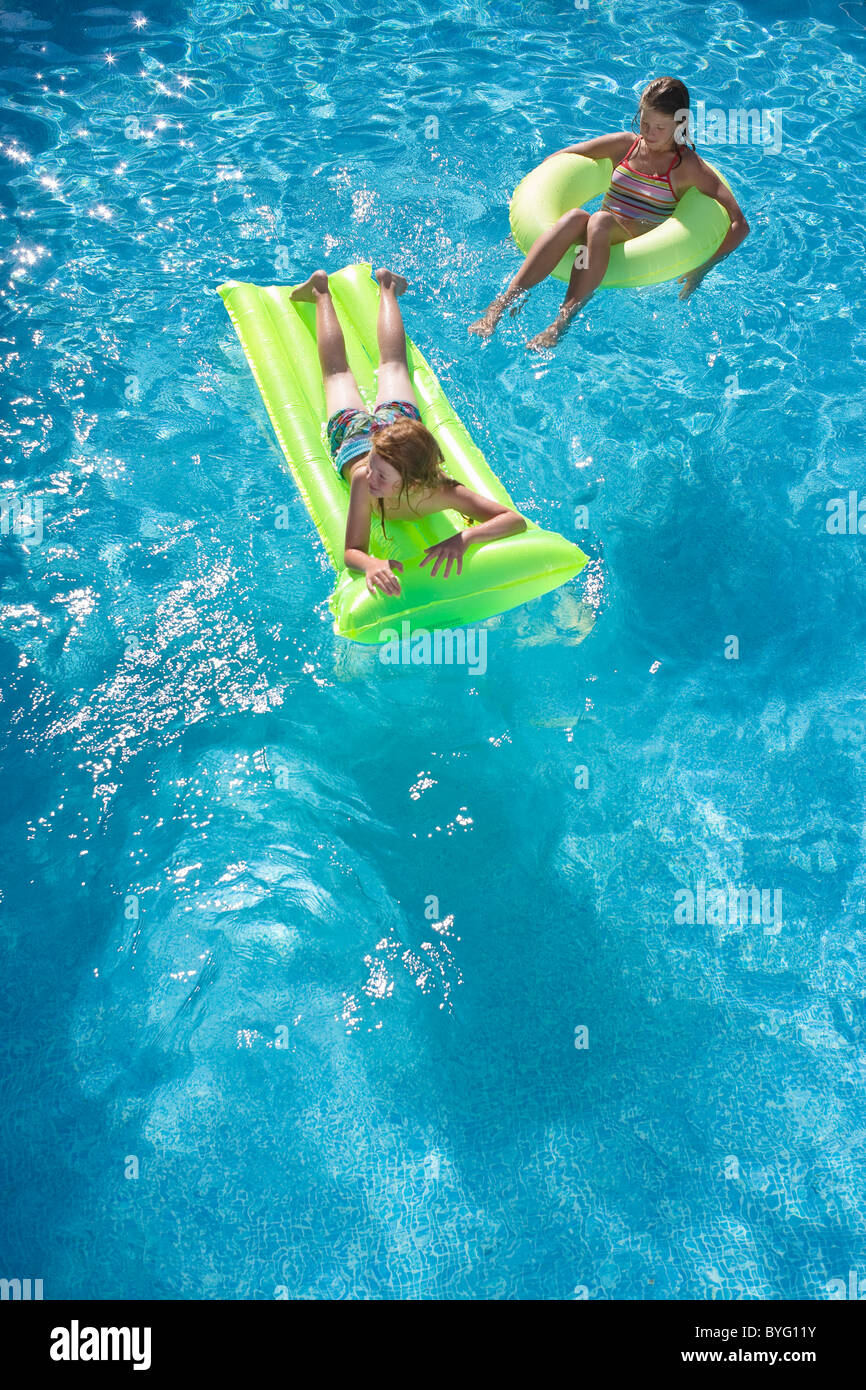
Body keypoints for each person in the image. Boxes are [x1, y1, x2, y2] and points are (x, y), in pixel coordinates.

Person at [290, 267, 526, 596]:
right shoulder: (364, 477)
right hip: (360, 437)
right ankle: (322, 292)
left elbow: (514, 520)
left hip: (388, 434)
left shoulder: (444, 492)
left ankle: (387, 286)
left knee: (388, 367)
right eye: (373, 468)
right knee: (346, 374)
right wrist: (370, 563)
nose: (369, 478)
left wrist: (464, 538)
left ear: (415, 482)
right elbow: (352, 552)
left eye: (381, 477)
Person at [469, 76, 750, 350]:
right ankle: (498, 307)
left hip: (631, 239)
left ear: (680, 124)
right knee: (575, 218)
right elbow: (563, 159)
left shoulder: (686, 167)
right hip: (597, 233)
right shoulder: (626, 145)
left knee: (599, 220)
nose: (649, 134)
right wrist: (530, 220)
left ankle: (559, 325)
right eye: (644, 122)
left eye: (659, 128)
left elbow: (739, 223)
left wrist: (700, 270)